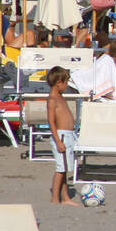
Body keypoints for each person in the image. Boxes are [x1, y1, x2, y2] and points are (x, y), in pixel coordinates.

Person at [46, 67, 79, 207]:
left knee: (64, 168)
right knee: (60, 169)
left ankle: (65, 197)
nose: (67, 85)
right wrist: (58, 141)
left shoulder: (60, 96)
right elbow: (51, 122)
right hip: (61, 136)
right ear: (59, 82)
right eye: (66, 82)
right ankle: (55, 198)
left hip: (68, 135)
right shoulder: (53, 99)